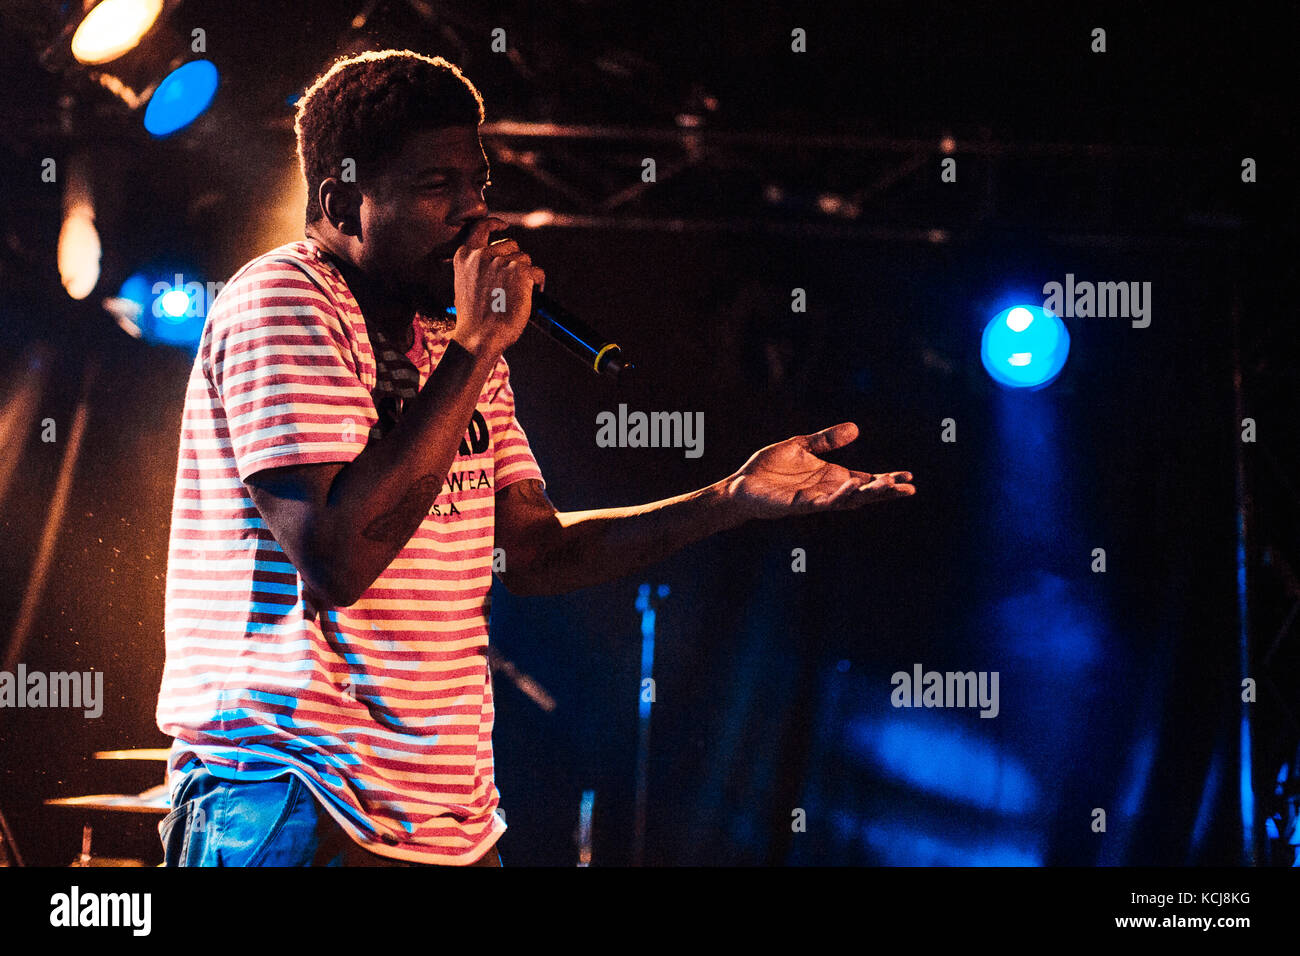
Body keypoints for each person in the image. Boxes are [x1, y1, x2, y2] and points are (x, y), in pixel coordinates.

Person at [154, 49, 915, 867]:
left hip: (448, 817)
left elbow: (533, 550)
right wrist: (477, 349)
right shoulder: (284, 302)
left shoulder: (457, 344)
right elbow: (336, 560)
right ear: (342, 201)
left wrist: (730, 498)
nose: (478, 218)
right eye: (437, 187)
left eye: (478, 184)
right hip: (296, 796)